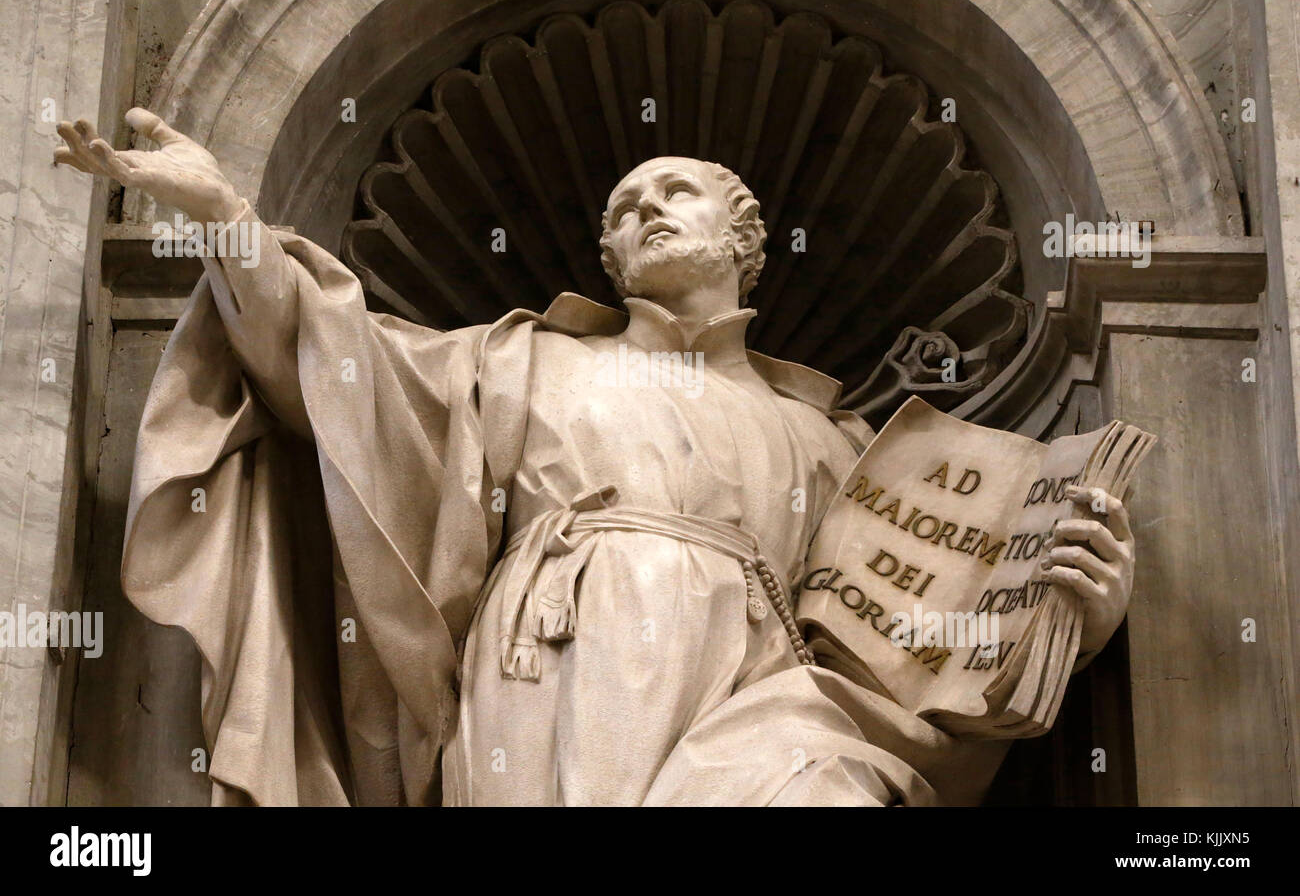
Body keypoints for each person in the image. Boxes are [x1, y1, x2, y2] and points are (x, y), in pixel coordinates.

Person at [55, 108, 1137, 805]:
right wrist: (228, 221)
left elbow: (908, 649)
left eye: (674, 192)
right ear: (607, 258)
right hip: (559, 657)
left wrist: (1066, 626)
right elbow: (332, 371)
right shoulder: (519, 363)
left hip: (768, 697)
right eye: (623, 209)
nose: (643, 209)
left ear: (745, 234)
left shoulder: (836, 437)